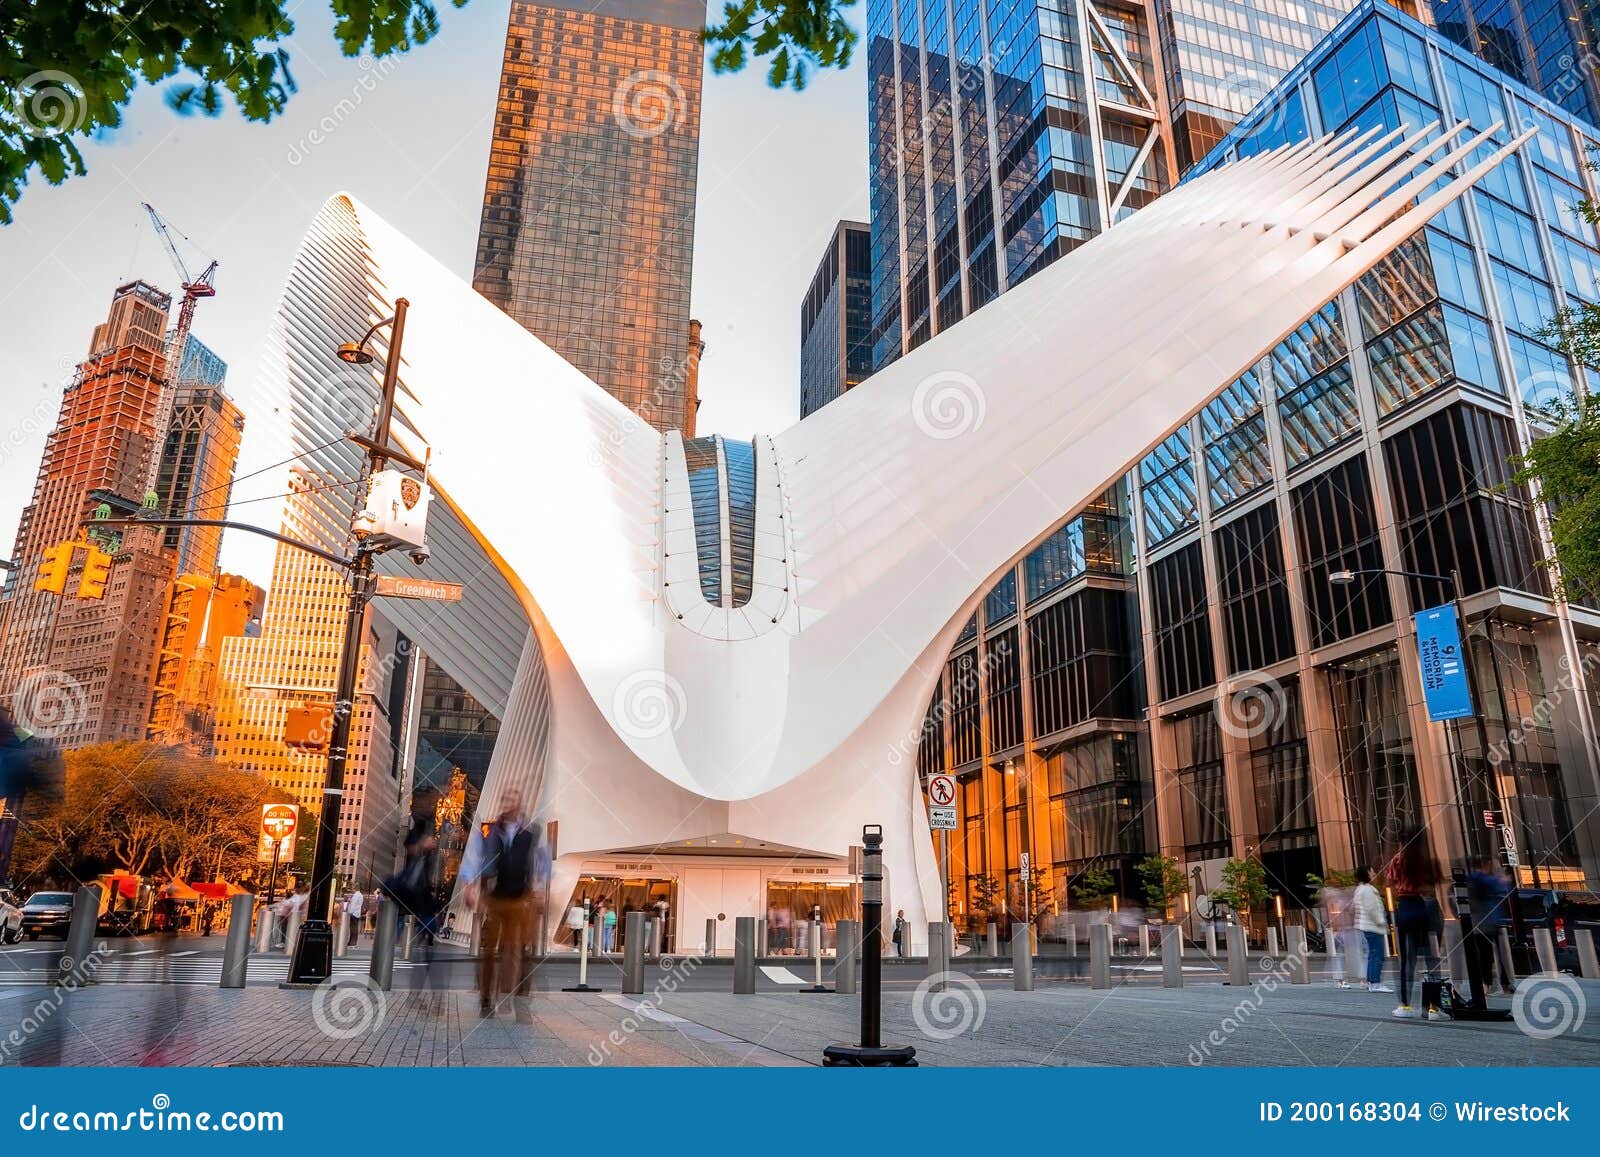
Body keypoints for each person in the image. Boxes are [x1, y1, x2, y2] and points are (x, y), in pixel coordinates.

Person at [460, 790, 544, 1019]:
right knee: (488, 950)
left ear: (519, 805)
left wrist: (540, 888)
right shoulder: (489, 832)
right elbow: (474, 856)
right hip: (493, 898)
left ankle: (509, 994)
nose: (507, 804)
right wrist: (469, 886)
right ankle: (486, 996)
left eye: (512, 800)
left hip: (519, 898)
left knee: (515, 949)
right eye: (504, 800)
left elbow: (540, 860)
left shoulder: (530, 833)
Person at [1382, 827, 1440, 1019]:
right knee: (1432, 958)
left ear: (1401, 841)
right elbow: (1433, 884)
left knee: (1408, 960)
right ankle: (1433, 1007)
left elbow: (1389, 883)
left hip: (1407, 908)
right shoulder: (1428, 860)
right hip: (1426, 907)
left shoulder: (1398, 860)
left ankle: (1405, 1005)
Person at [1352, 866, 1390, 993]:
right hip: (1373, 926)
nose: (1374, 873)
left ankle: (1372, 981)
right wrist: (1381, 922)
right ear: (1367, 873)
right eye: (1372, 871)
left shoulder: (1360, 889)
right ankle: (1375, 982)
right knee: (1377, 955)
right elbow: (1372, 909)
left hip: (1366, 926)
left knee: (1373, 955)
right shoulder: (1368, 890)